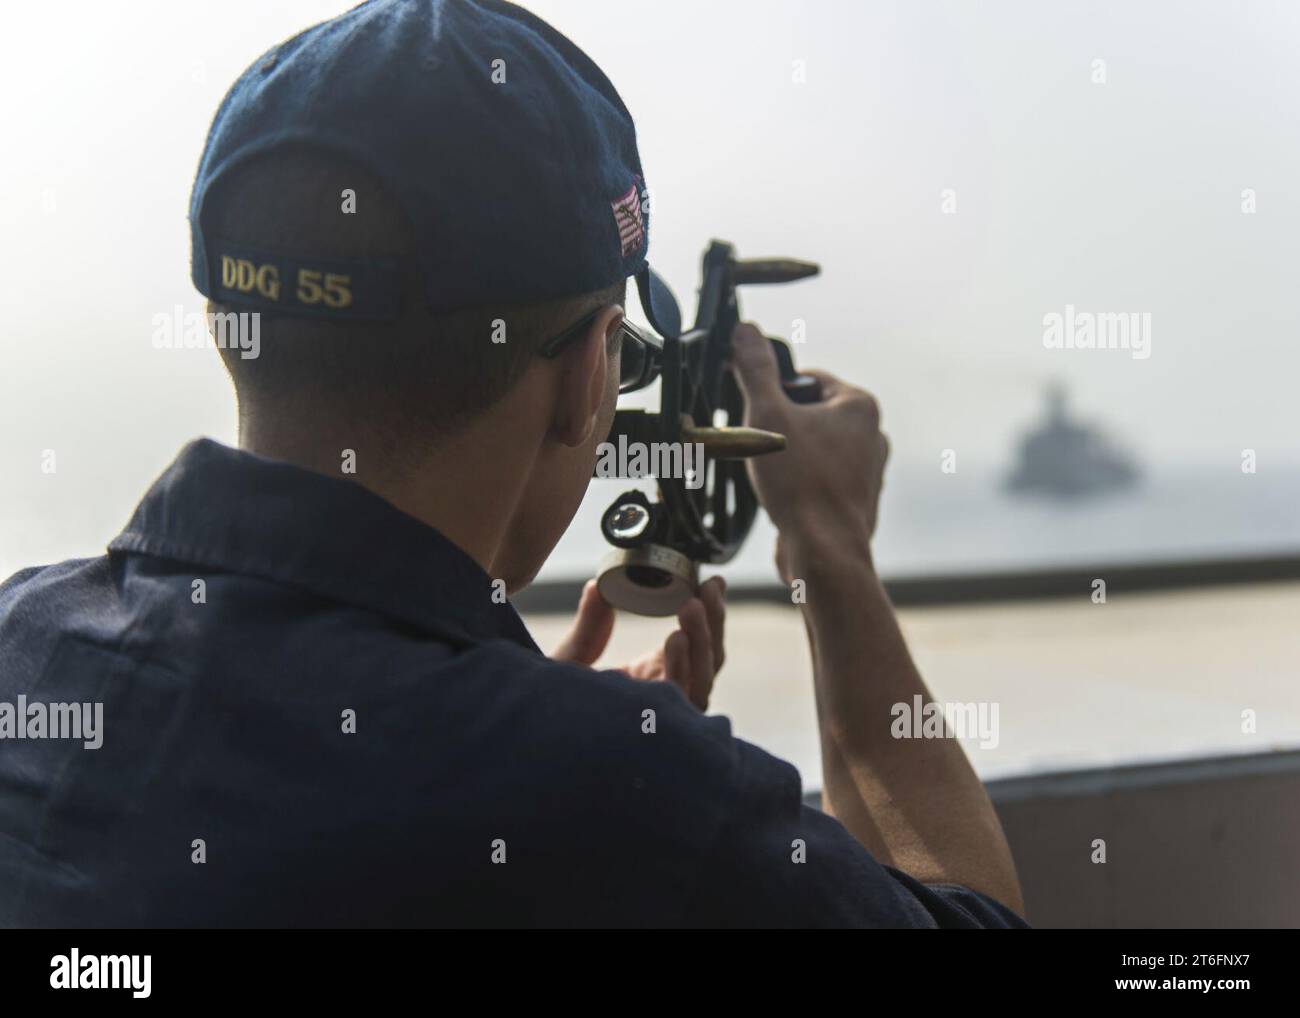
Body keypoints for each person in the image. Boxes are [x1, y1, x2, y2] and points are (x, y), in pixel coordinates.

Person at [0, 0, 1025, 927]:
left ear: (229, 323)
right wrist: (829, 546)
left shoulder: (22, 643)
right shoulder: (621, 797)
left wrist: (514, 718)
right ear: (590, 371)